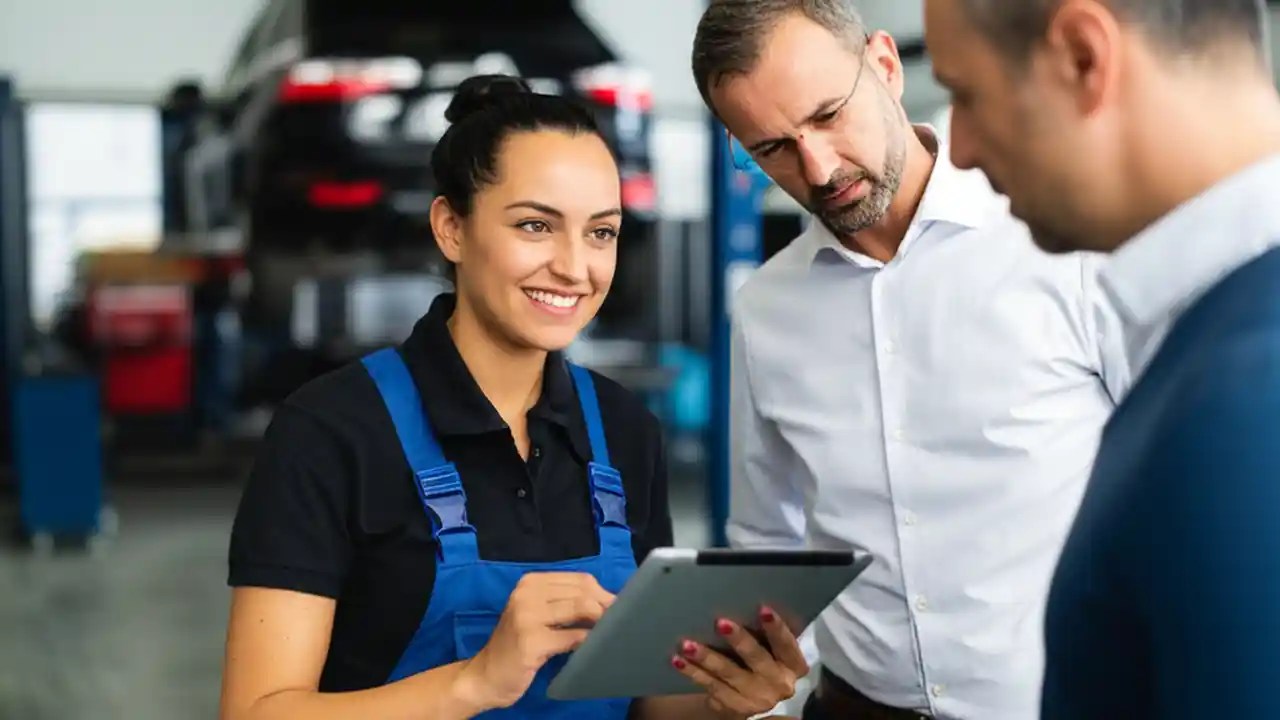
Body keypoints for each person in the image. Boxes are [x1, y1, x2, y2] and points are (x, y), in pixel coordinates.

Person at [219, 74, 807, 720]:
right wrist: (474, 683)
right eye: (536, 226)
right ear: (451, 228)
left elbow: (640, 702)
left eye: (601, 233)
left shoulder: (623, 430)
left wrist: (722, 699)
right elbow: (256, 711)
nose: (575, 267)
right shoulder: (330, 432)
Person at [690, 2, 1132, 718]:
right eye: (772, 148)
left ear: (886, 66)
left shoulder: (1062, 240)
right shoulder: (765, 310)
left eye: (829, 114)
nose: (819, 167)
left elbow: (1174, 485)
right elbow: (766, 541)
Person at [923, 0, 1280, 717]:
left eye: (967, 94)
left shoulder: (1246, 396)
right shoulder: (1214, 338)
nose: (957, 149)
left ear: (1083, 58)